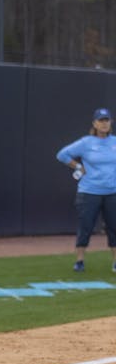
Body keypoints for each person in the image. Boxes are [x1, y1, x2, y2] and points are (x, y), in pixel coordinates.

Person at [56, 107, 116, 273]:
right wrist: (78, 166)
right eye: (101, 121)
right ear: (94, 124)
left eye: (107, 120)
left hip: (112, 192)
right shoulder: (86, 143)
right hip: (89, 192)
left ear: (110, 123)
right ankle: (80, 260)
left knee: (114, 227)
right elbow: (62, 155)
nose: (104, 124)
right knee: (86, 226)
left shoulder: (114, 142)